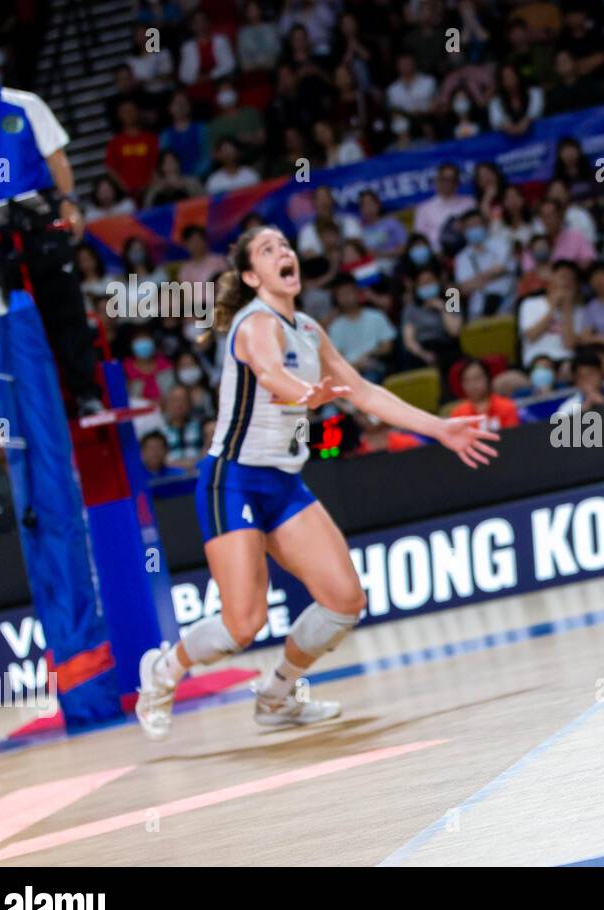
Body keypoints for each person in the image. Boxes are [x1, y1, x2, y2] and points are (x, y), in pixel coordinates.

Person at [134, 224, 498, 739]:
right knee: (243, 624)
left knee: (345, 600)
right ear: (251, 276)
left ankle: (277, 696)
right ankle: (163, 670)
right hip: (232, 481)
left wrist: (440, 427)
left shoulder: (308, 329)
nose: (283, 252)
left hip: (283, 483)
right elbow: (268, 374)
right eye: (267, 250)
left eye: (285, 245)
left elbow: (366, 392)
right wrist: (306, 394)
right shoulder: (253, 322)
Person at [0, 36, 104, 417]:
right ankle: (30, 405)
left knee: (64, 306)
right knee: (9, 315)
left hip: (41, 218)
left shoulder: (27, 104)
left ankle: (85, 393)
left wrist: (70, 203)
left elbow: (56, 157)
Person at [450, 359, 520, 432]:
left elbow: (514, 438)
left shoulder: (507, 406)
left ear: (488, 378)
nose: (473, 385)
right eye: (467, 380)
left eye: (477, 378)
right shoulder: (458, 414)